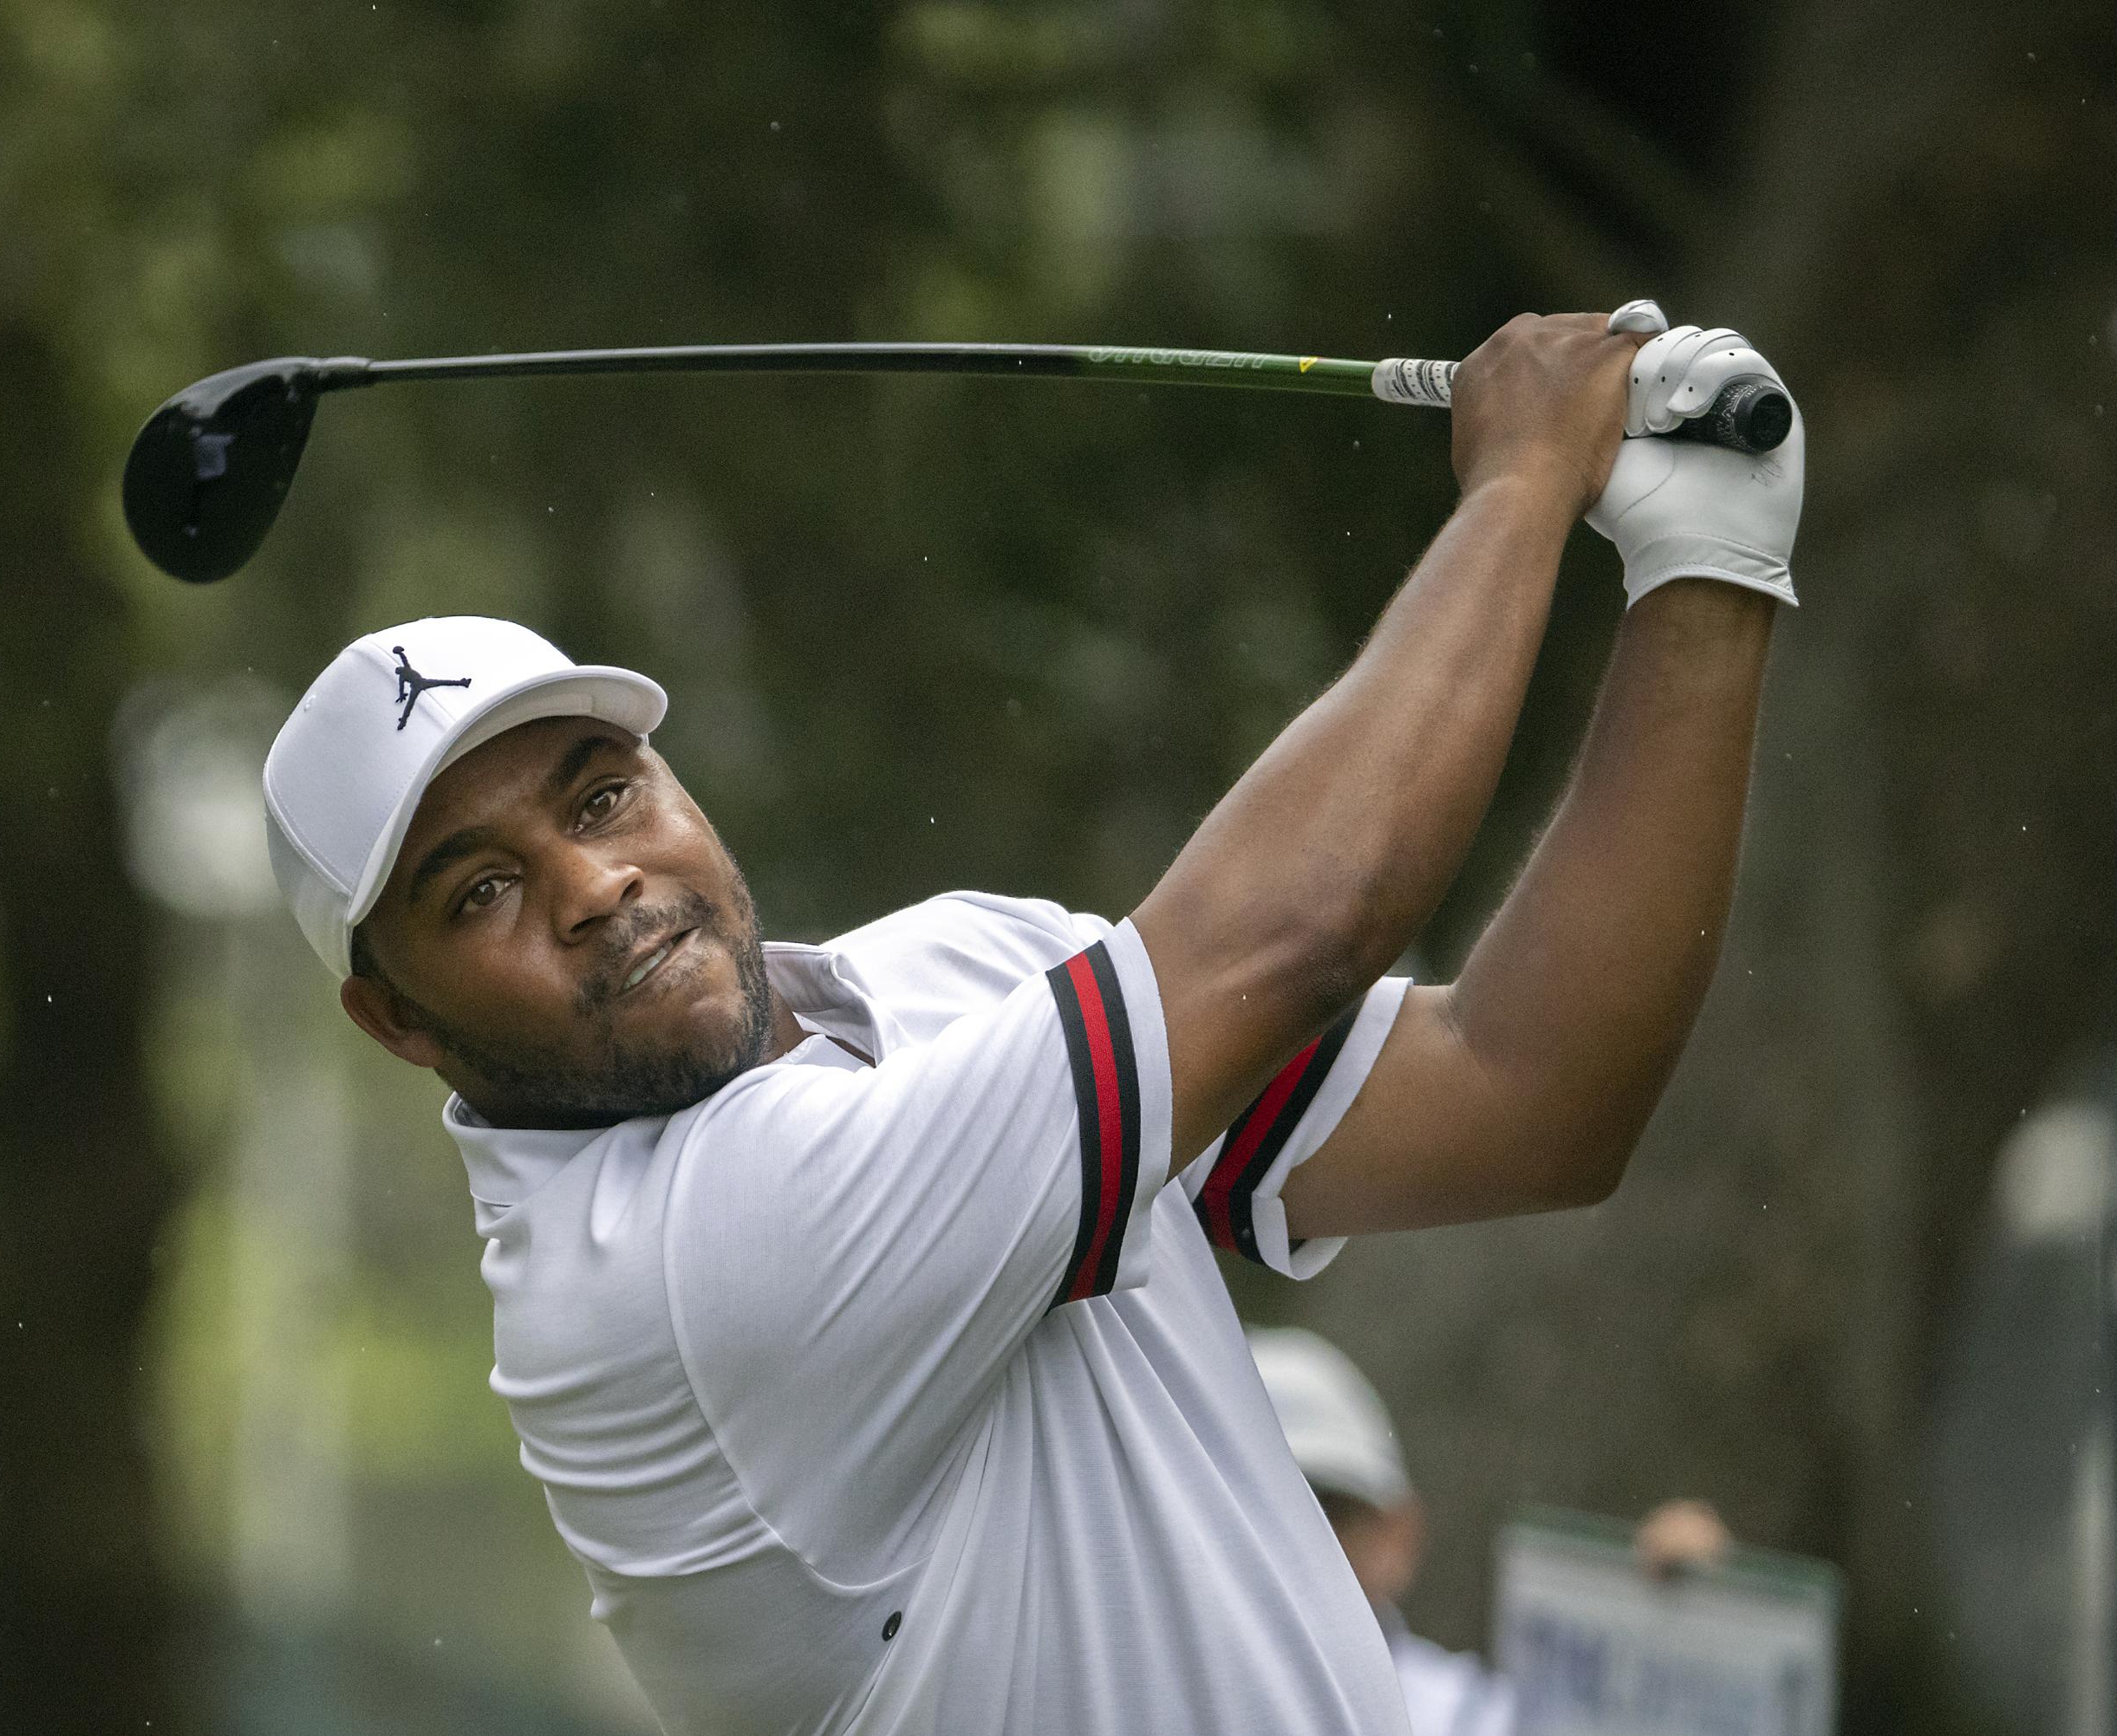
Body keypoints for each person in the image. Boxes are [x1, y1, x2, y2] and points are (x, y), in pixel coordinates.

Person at [257, 303, 1801, 1734]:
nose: (594, 884)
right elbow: (1298, 929)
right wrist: (1524, 479)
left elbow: (1524, 1093)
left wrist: (1705, 572)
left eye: (604, 794)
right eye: (482, 891)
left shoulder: (966, 965)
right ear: (394, 1021)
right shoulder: (667, 1269)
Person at [1248, 1327, 1519, 1736]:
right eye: (1248, 1511)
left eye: (1324, 1509)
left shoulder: (1475, 1720)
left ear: (1397, 1533)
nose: (1284, 1545)